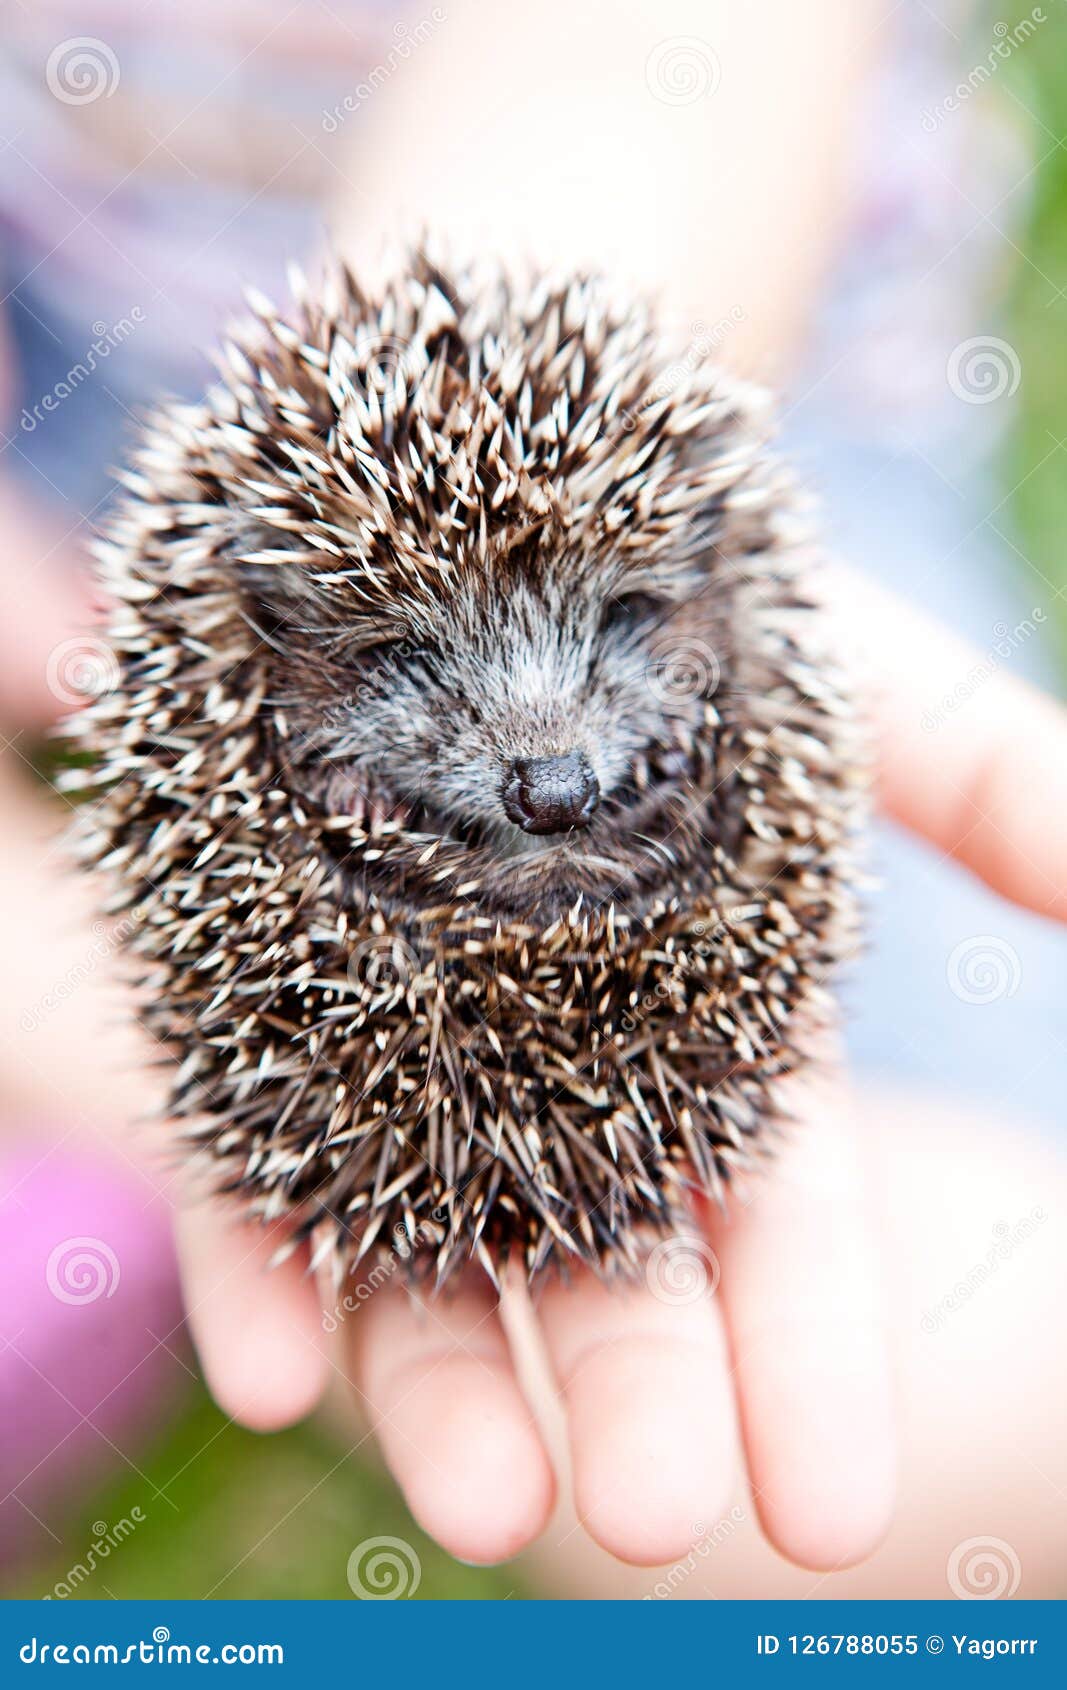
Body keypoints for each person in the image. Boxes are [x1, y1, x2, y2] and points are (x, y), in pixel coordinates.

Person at [2, 0, 1064, 1592]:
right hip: (53, 297)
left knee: (986, 1392)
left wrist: (533, 351)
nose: (560, 782)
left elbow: (660, 68)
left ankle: (76, 1024)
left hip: (754, 320)